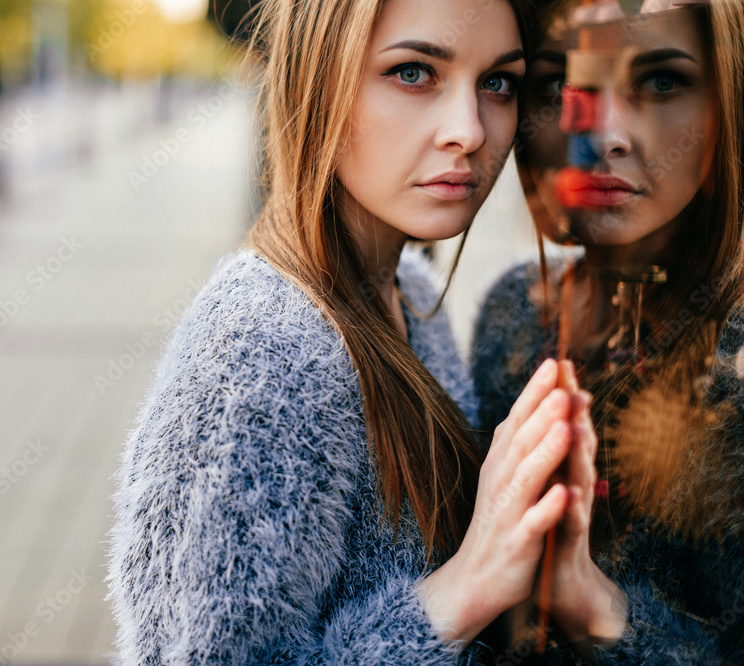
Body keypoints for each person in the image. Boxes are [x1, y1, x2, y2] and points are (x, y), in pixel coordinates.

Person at [107, 0, 627, 662]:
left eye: (497, 82)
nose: (469, 130)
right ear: (317, 77)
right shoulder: (261, 346)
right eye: (414, 72)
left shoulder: (411, 287)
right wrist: (465, 590)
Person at [472, 0, 744, 661]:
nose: (605, 135)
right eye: (561, 87)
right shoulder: (511, 316)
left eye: (659, 82)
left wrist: (598, 610)